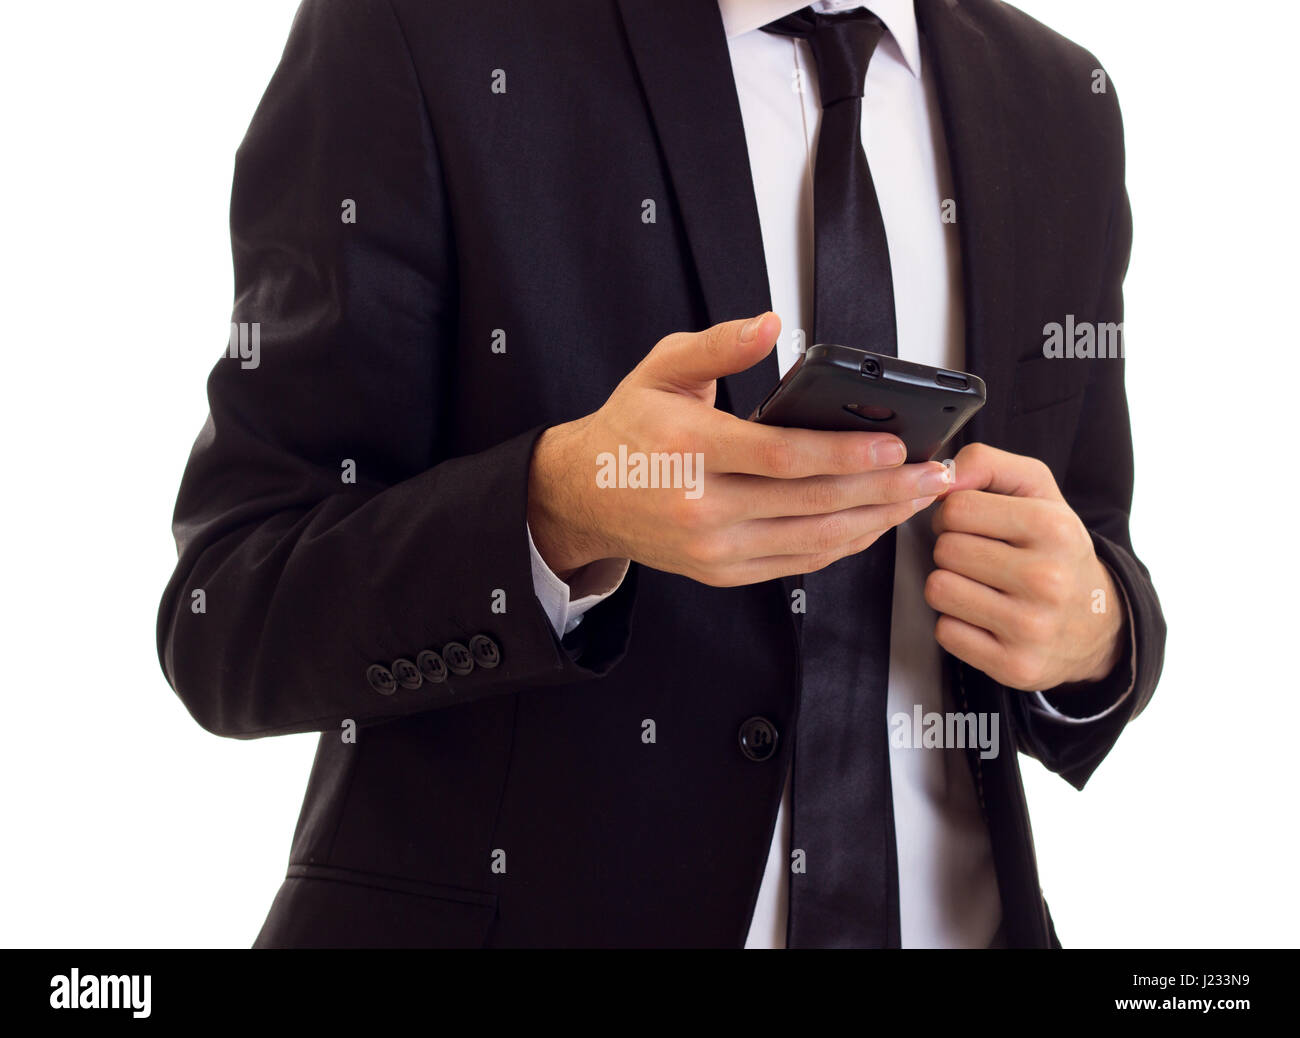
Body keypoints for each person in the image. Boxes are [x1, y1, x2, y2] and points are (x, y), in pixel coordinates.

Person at [157, 0, 1165, 948]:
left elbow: (1092, 541)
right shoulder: (423, 29)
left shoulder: (1056, 98)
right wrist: (554, 513)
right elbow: (228, 609)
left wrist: (1092, 633)